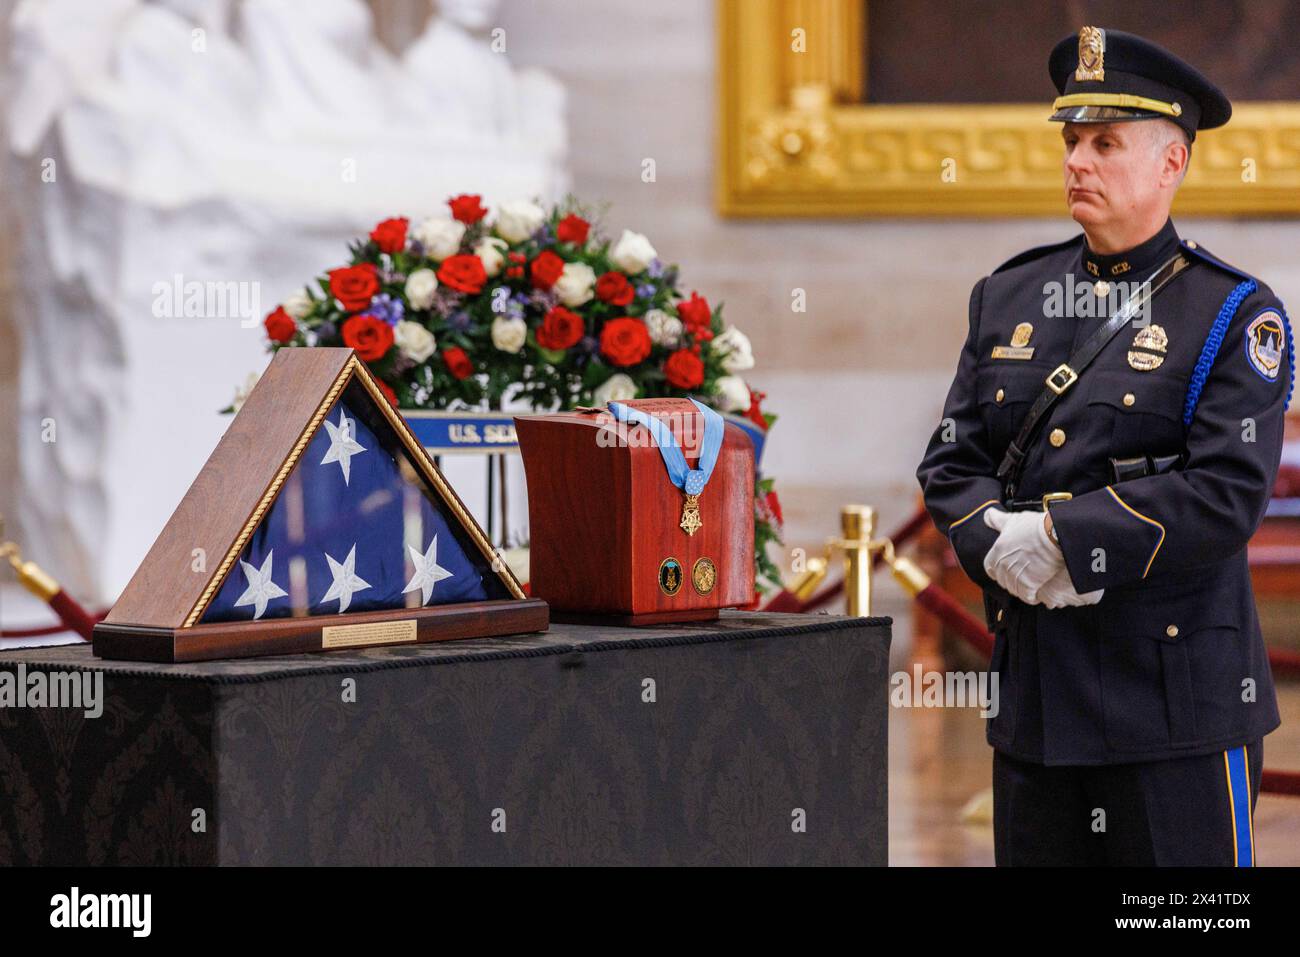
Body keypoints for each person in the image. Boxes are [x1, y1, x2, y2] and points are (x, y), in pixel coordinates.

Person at [917, 26, 1291, 866]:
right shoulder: (1009, 294)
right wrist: (993, 541)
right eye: (1072, 141)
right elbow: (952, 456)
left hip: (1173, 713)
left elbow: (1225, 494)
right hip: (1040, 706)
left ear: (1171, 164)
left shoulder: (1232, 314)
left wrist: (1058, 537)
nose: (1077, 161)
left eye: (1106, 144)